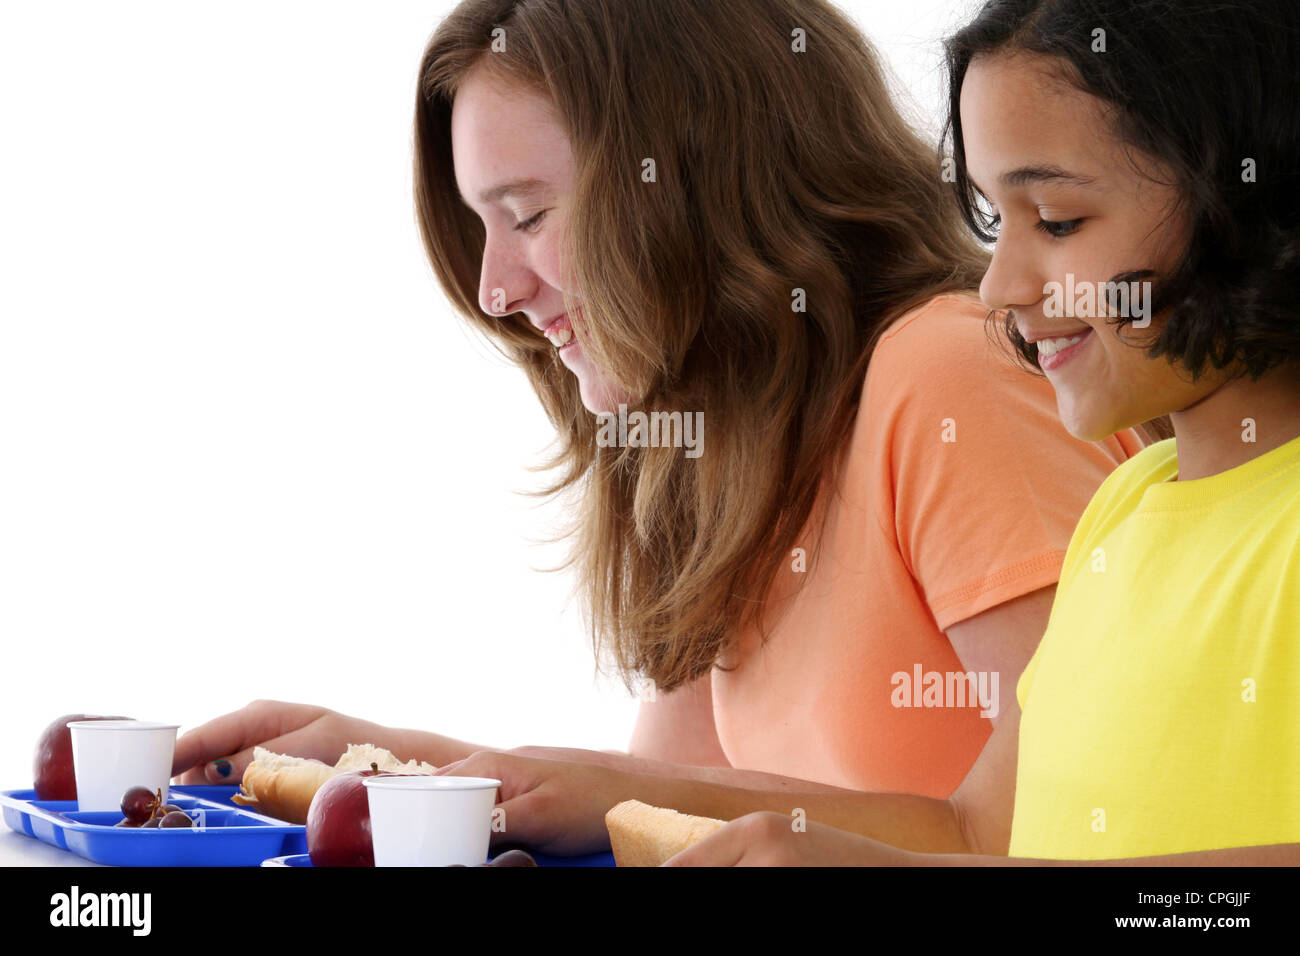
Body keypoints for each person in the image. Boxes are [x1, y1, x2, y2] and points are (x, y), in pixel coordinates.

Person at [173, 0, 1149, 814]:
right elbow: (661, 809)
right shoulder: (722, 449)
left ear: (697, 180)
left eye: (529, 216)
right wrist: (398, 761)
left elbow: (1090, 816)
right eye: (481, 227)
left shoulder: (943, 373)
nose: (494, 289)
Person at [606, 0, 1300, 865]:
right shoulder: (1121, 510)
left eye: (1056, 221)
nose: (1001, 285)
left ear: (1251, 195)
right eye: (990, 219)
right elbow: (997, 837)